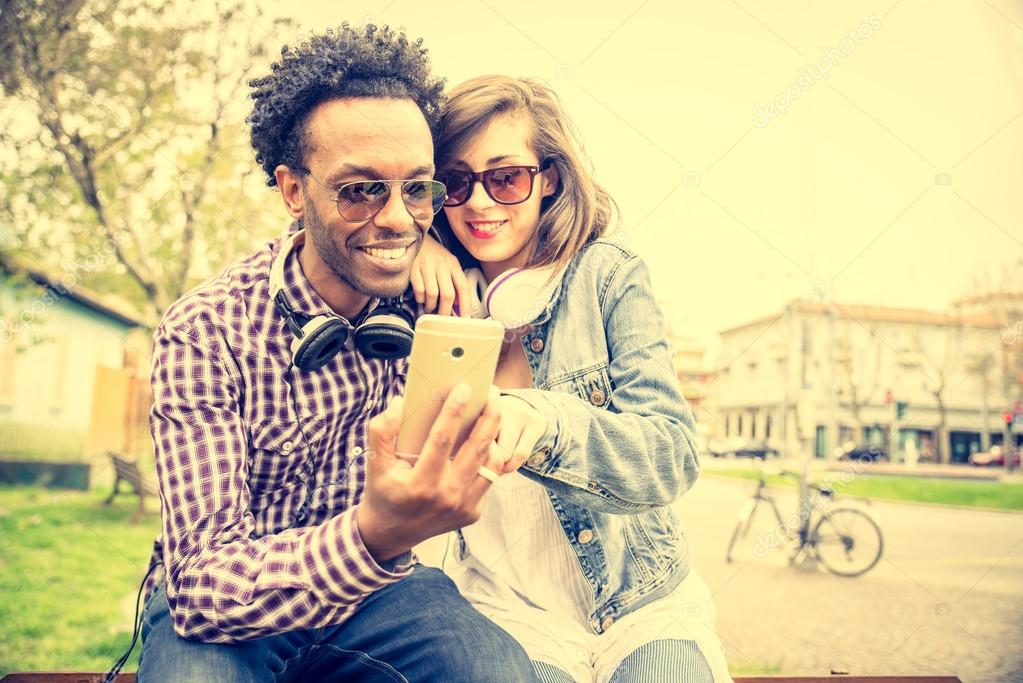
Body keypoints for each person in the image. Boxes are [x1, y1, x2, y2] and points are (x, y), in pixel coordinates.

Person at [136, 26, 543, 683]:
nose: (395, 218)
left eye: (417, 189)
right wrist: (372, 534)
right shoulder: (204, 330)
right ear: (293, 191)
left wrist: (436, 243)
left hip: (379, 597)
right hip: (231, 613)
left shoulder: (437, 303)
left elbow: (527, 223)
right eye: (360, 190)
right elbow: (202, 585)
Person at [420, 75, 734, 682]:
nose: (480, 204)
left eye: (505, 177)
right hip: (505, 613)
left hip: (641, 605)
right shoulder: (428, 301)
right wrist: (416, 246)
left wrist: (543, 422)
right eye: (455, 182)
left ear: (550, 180)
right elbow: (320, 231)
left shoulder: (608, 278)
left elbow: (671, 455)